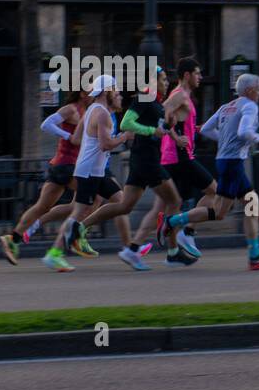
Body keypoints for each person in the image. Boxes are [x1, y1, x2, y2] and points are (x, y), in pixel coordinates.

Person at [166, 73, 259, 270]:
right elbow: (244, 132)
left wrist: (226, 142)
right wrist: (257, 138)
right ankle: (173, 221)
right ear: (250, 90)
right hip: (233, 163)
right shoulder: (250, 106)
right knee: (219, 213)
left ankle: (254, 256)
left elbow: (206, 130)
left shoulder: (227, 106)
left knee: (251, 207)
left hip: (226, 161)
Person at [75, 68, 181, 271]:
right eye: (164, 79)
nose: (167, 83)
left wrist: (168, 125)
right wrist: (153, 130)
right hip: (147, 160)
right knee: (174, 201)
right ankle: (166, 250)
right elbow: (126, 123)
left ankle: (80, 227)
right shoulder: (143, 99)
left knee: (124, 206)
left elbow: (156, 130)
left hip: (142, 160)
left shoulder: (157, 104)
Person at [41, 75, 133, 272]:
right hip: (90, 171)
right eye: (115, 90)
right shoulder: (101, 114)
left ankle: (124, 246)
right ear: (107, 91)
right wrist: (123, 137)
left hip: (94, 169)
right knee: (78, 213)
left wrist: (92, 145)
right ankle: (55, 253)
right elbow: (105, 144)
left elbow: (75, 139)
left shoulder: (91, 109)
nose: (119, 93)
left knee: (121, 201)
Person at [134, 56, 215, 264]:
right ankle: (186, 232)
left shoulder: (184, 96)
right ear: (187, 75)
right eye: (197, 73)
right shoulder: (178, 95)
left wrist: (193, 129)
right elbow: (162, 115)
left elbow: (173, 119)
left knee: (164, 207)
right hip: (179, 157)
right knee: (214, 191)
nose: (200, 77)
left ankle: (141, 248)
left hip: (173, 157)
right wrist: (175, 136)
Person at [0, 89, 89, 265]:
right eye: (91, 89)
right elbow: (46, 124)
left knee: (42, 206)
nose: (94, 92)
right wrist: (68, 136)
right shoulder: (71, 109)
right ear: (82, 93)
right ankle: (69, 243)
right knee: (91, 200)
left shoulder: (86, 111)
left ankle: (13, 239)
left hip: (62, 165)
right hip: (67, 165)